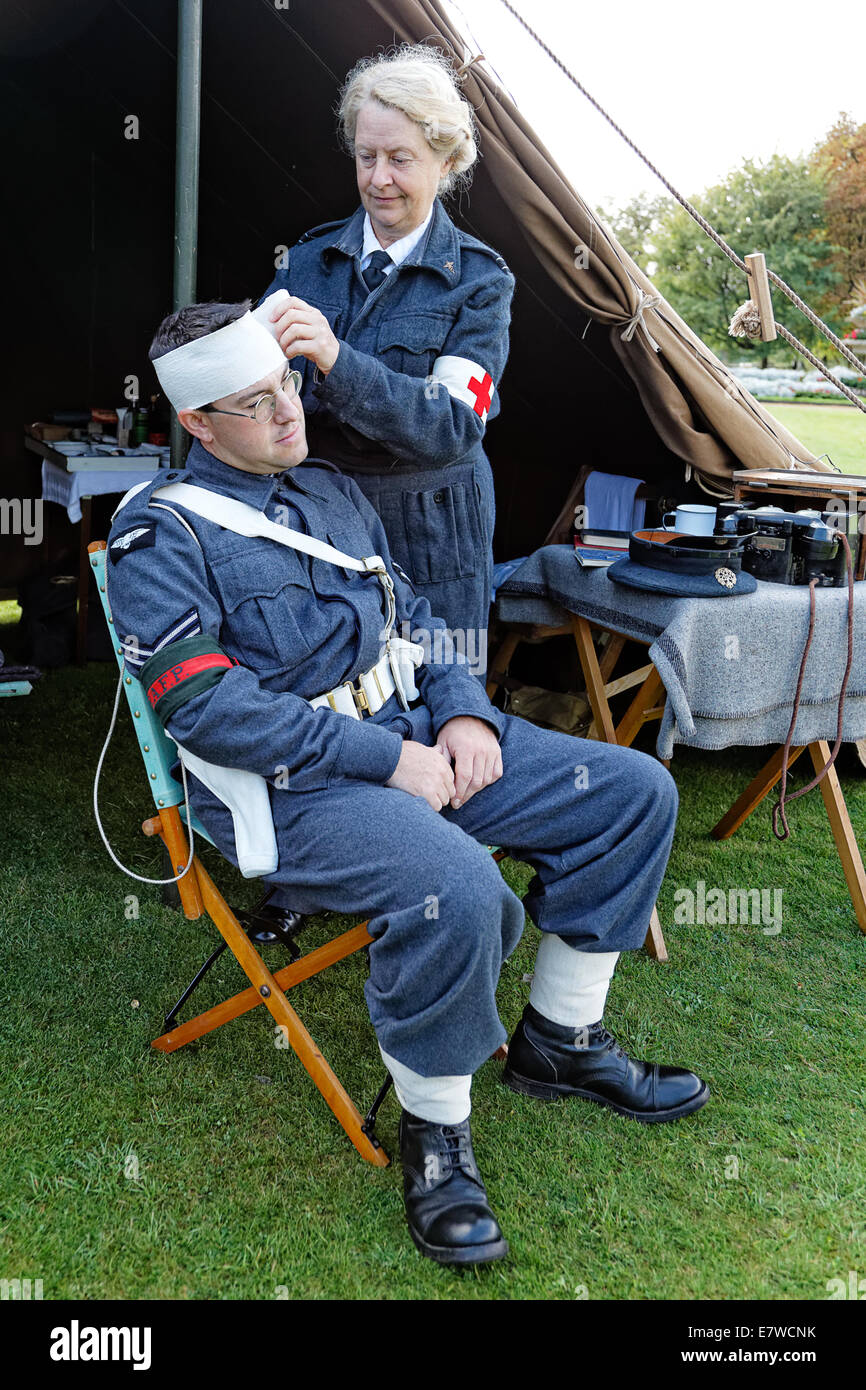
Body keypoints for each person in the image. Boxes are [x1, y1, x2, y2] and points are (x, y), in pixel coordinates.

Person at [106, 295, 709, 1268]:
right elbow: (207, 710)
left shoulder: (332, 490)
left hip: (422, 732)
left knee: (632, 794)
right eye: (255, 403)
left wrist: (464, 707)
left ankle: (561, 1039)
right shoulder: (162, 536)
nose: (288, 412)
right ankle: (436, 1138)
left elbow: (417, 617)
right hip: (298, 787)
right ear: (196, 422)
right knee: (456, 890)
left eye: (287, 387)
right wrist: (390, 761)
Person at [260, 44, 514, 653]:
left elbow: (453, 425)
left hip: (436, 527)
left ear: (447, 161)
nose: (379, 179)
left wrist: (336, 362)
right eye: (367, 156)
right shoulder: (305, 262)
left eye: (401, 159)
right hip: (324, 514)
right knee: (340, 693)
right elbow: (258, 391)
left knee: (444, 690)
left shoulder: (480, 280)